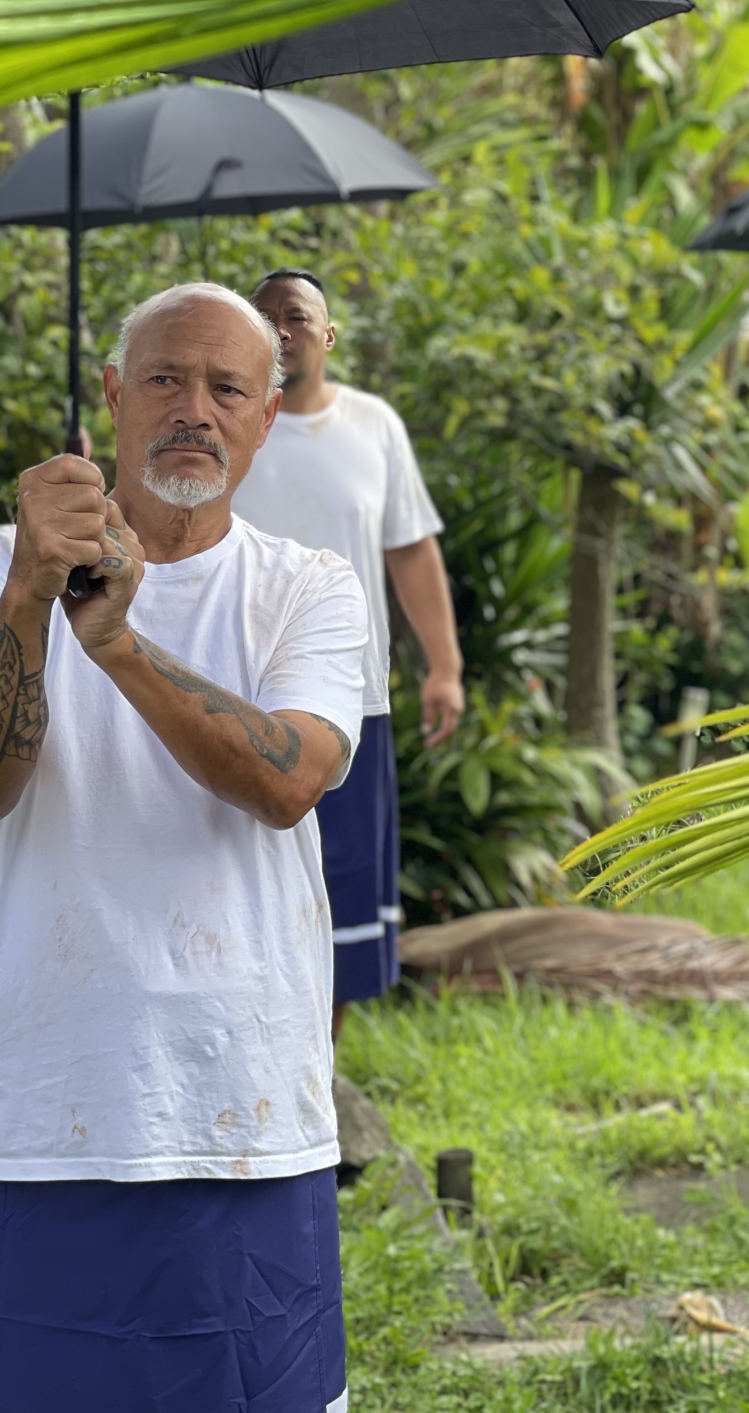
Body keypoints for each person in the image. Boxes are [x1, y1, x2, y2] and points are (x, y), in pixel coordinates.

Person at [0, 283, 366, 1412]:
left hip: (242, 1106)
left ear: (268, 415)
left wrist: (113, 642)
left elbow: (288, 780)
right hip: (38, 1108)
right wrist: (25, 605)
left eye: (227, 388)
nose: (193, 409)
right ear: (111, 396)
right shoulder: (8, 566)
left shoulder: (310, 587)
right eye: (164, 378)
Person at [233, 268, 464, 1035]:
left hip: (346, 702)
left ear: (329, 334)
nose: (279, 329)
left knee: (337, 899)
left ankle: (319, 1083)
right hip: (230, 695)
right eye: (262, 317)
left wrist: (445, 666)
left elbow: (411, 550)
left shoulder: (374, 425)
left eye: (295, 316)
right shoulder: (224, 421)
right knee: (230, 887)